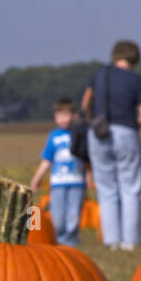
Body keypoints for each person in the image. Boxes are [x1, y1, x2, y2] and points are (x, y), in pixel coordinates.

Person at [81, 41, 141, 250]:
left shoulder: (100, 75)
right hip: (126, 132)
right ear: (134, 58)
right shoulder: (136, 80)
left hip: (99, 133)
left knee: (106, 189)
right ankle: (131, 241)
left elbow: (86, 103)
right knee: (130, 188)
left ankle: (111, 241)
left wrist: (92, 120)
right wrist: (131, 123)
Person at [29, 98, 90, 247]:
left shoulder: (80, 134)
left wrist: (89, 177)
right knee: (58, 216)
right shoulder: (54, 136)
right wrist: (36, 178)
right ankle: (59, 240)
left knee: (74, 215)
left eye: (67, 115)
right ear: (55, 117)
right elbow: (46, 160)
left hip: (77, 182)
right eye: (60, 116)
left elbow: (87, 160)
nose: (63, 119)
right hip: (58, 183)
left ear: (74, 116)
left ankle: (72, 240)